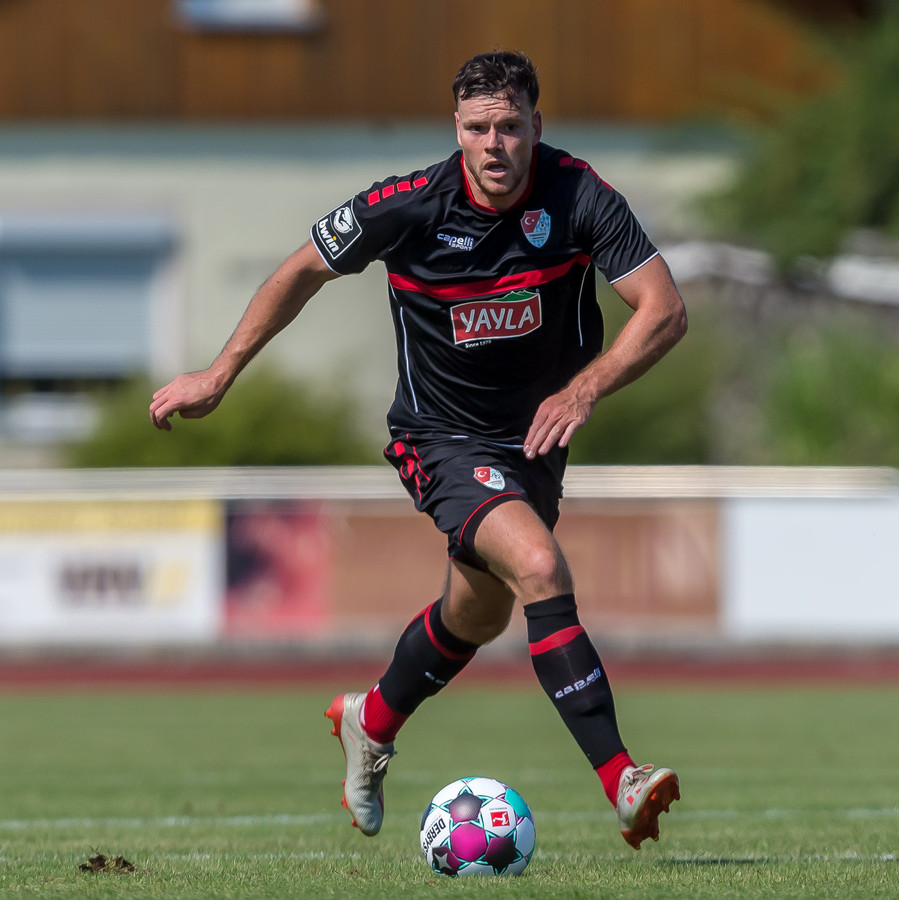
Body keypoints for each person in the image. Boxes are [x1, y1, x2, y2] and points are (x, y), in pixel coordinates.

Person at [150, 49, 686, 850]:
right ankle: (622, 779)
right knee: (540, 567)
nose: (496, 144)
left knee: (479, 613)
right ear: (457, 130)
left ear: (537, 125)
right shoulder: (407, 205)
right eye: (479, 128)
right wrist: (220, 371)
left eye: (511, 127)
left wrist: (586, 388)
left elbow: (664, 309)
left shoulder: (577, 194)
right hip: (440, 437)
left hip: (534, 442)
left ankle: (371, 718)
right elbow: (302, 269)